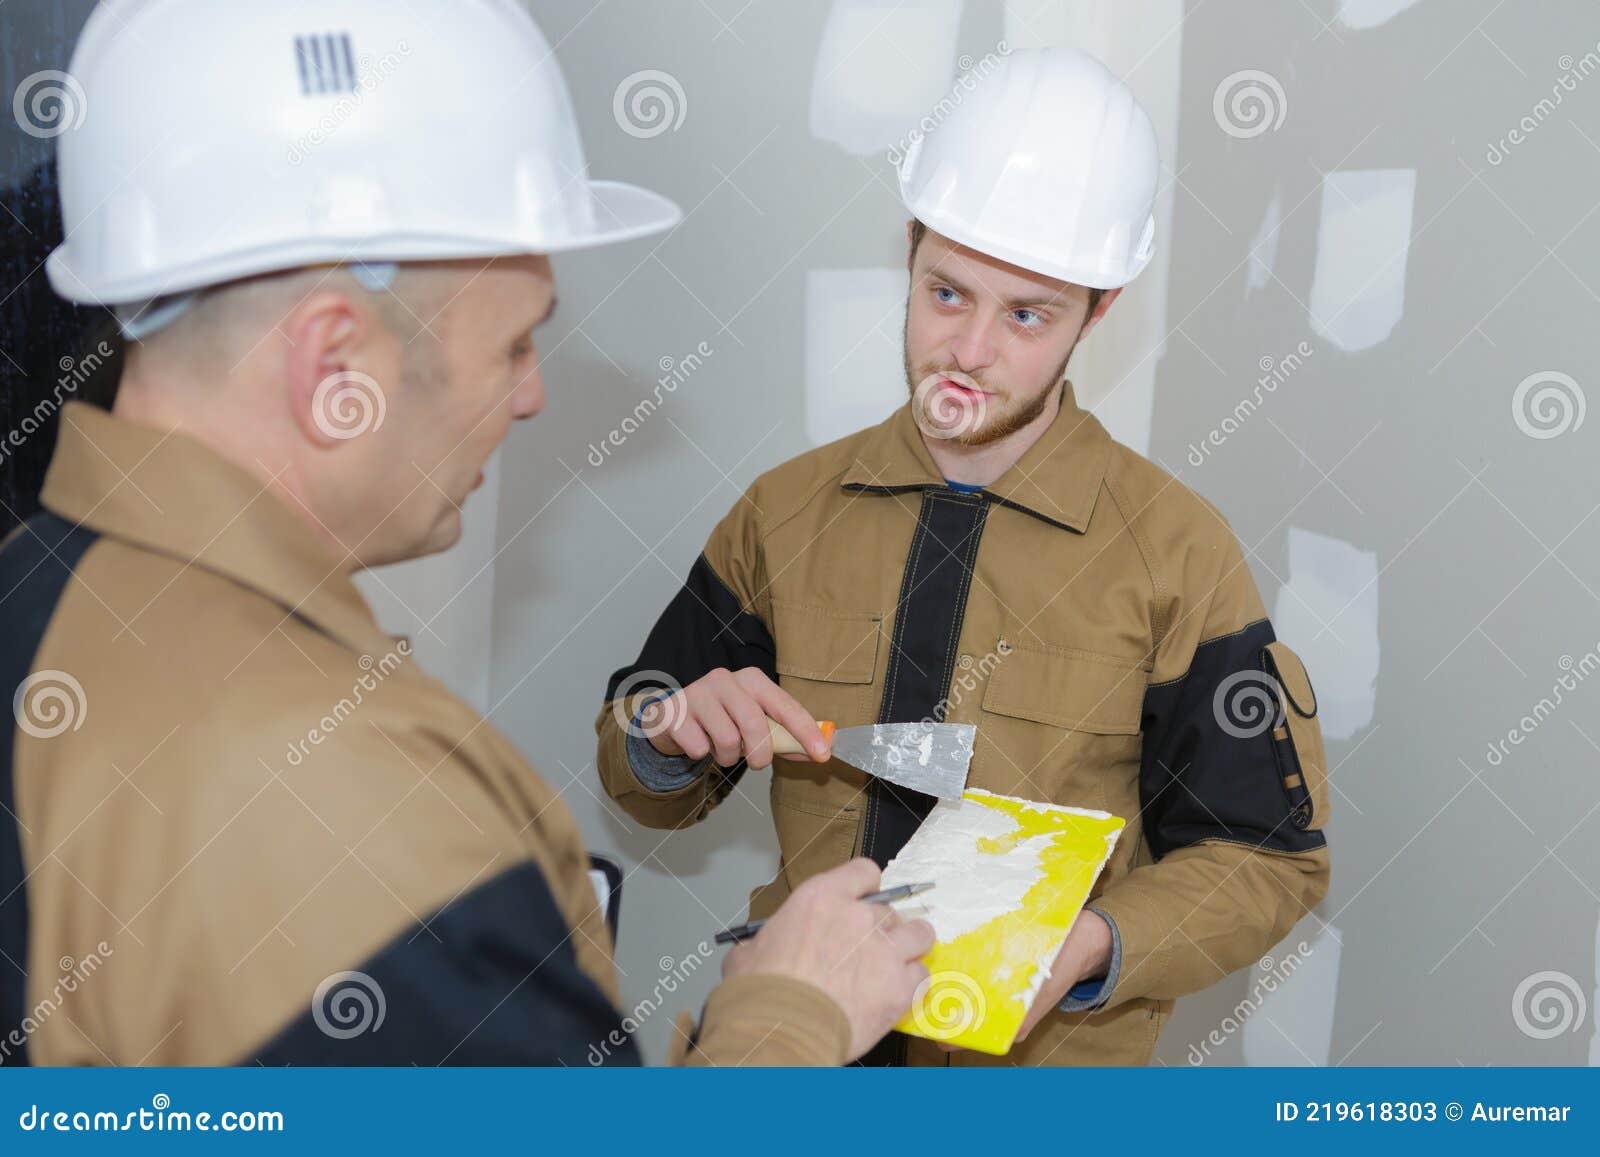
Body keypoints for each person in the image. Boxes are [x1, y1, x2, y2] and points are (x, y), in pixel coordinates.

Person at [0, 0, 933, 1067]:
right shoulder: (348, 804)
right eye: (514, 345)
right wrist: (789, 1013)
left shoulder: (41, 592)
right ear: (334, 368)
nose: (532, 396)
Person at [597, 47, 1332, 1067]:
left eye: (1026, 313)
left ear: (1100, 310)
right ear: (909, 251)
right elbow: (639, 768)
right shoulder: (784, 512)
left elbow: (1266, 857)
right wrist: (662, 733)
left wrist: (1094, 944)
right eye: (947, 293)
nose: (971, 351)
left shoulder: (1176, 554)